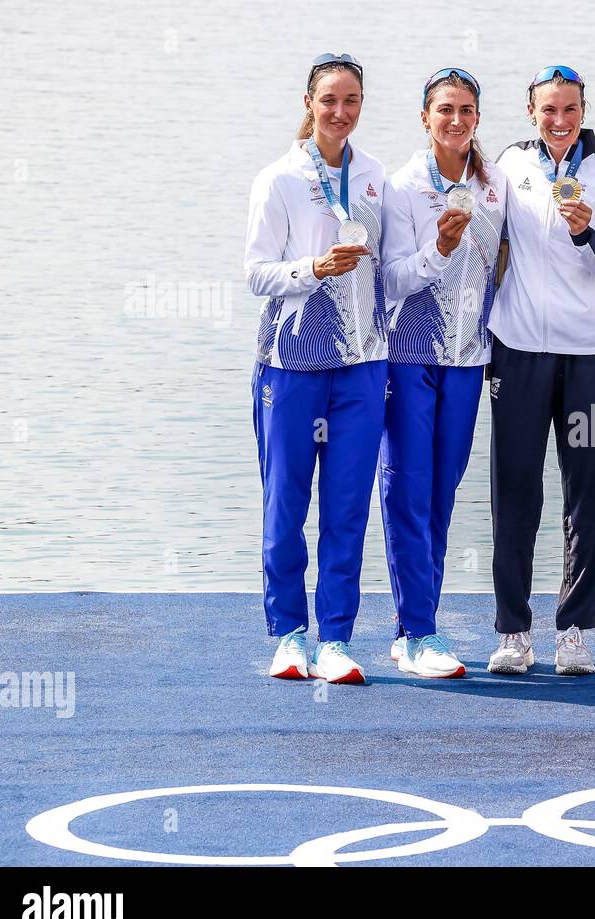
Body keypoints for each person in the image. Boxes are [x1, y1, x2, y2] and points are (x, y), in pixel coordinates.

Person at [485, 65, 595, 677]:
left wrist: (584, 234)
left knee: (585, 494)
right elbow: (490, 250)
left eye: (570, 109)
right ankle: (514, 630)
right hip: (517, 350)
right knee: (514, 491)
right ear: (531, 111)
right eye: (548, 110)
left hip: (592, 353)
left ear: (584, 109)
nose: (560, 121)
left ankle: (572, 629)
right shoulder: (506, 166)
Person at [247, 53, 387, 685]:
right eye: (329, 100)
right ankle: (288, 634)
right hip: (292, 361)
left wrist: (443, 249)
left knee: (348, 507)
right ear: (309, 103)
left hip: (360, 360)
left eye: (351, 100)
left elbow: (387, 271)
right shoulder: (278, 178)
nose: (340, 112)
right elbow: (256, 273)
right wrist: (312, 271)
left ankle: (334, 637)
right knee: (286, 503)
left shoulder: (375, 177)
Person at [379, 68, 507, 678]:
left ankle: (410, 628)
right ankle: (423, 630)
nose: (456, 121)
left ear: (478, 118)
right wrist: (440, 252)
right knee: (408, 487)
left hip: (467, 359)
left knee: (443, 491)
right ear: (425, 117)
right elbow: (391, 280)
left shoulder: (494, 185)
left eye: (466, 111)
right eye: (444, 110)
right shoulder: (401, 187)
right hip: (409, 355)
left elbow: (506, 263)